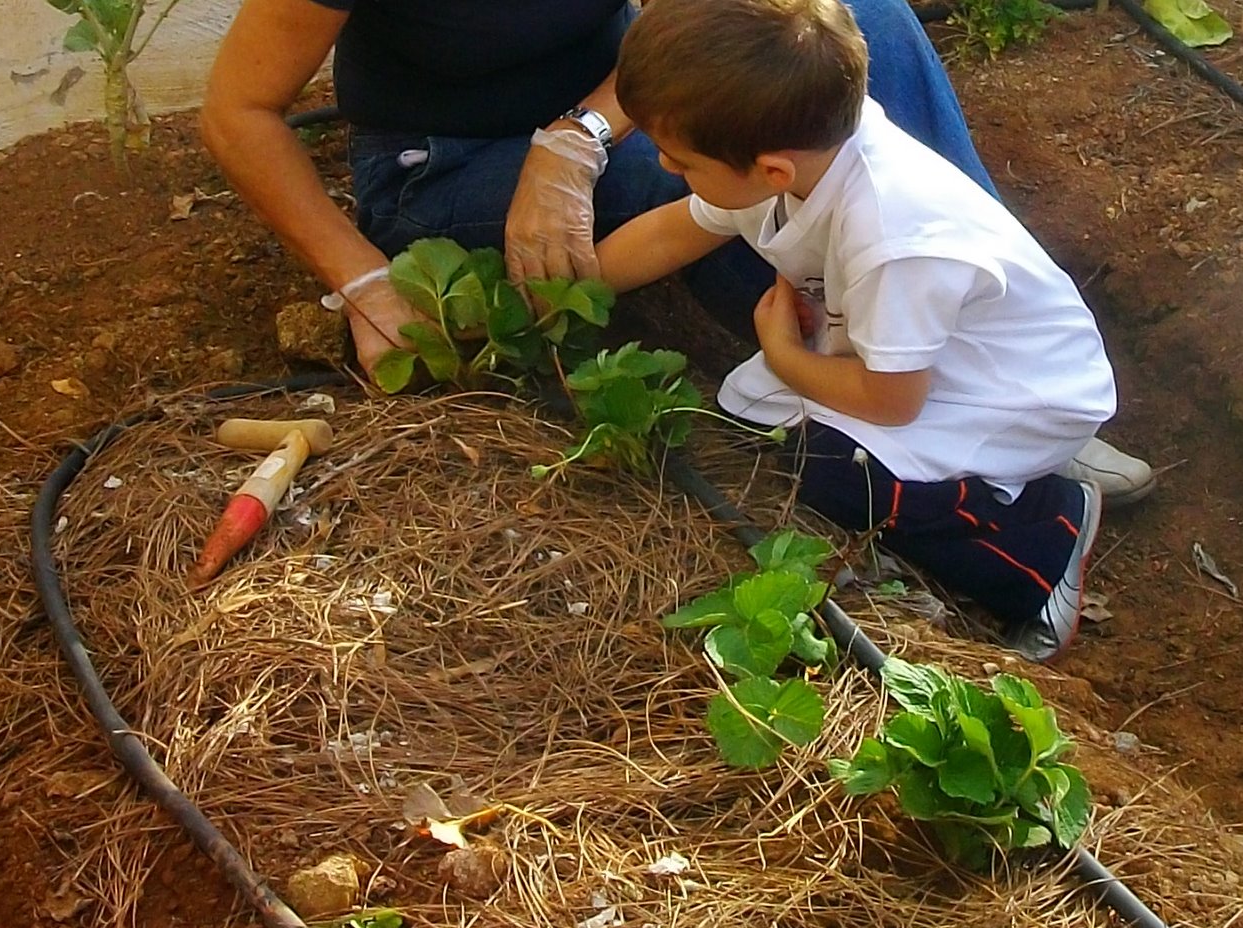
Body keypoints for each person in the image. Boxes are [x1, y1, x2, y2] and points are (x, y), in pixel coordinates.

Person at [198, 0, 1154, 504]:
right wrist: (364, 282)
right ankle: (885, 411)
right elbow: (238, 113)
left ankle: (976, 363)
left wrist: (576, 136)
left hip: (618, 106)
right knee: (706, 186)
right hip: (446, 157)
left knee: (861, 21)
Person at [596, 0, 1119, 660]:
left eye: (679, 159)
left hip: (1015, 391)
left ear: (771, 172)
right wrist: (558, 293)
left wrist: (784, 356)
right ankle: (1000, 477)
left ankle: (1043, 535)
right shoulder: (798, 151)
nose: (666, 170)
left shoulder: (894, 232)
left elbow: (890, 400)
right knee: (757, 423)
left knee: (841, 475)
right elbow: (674, 231)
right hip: (923, 356)